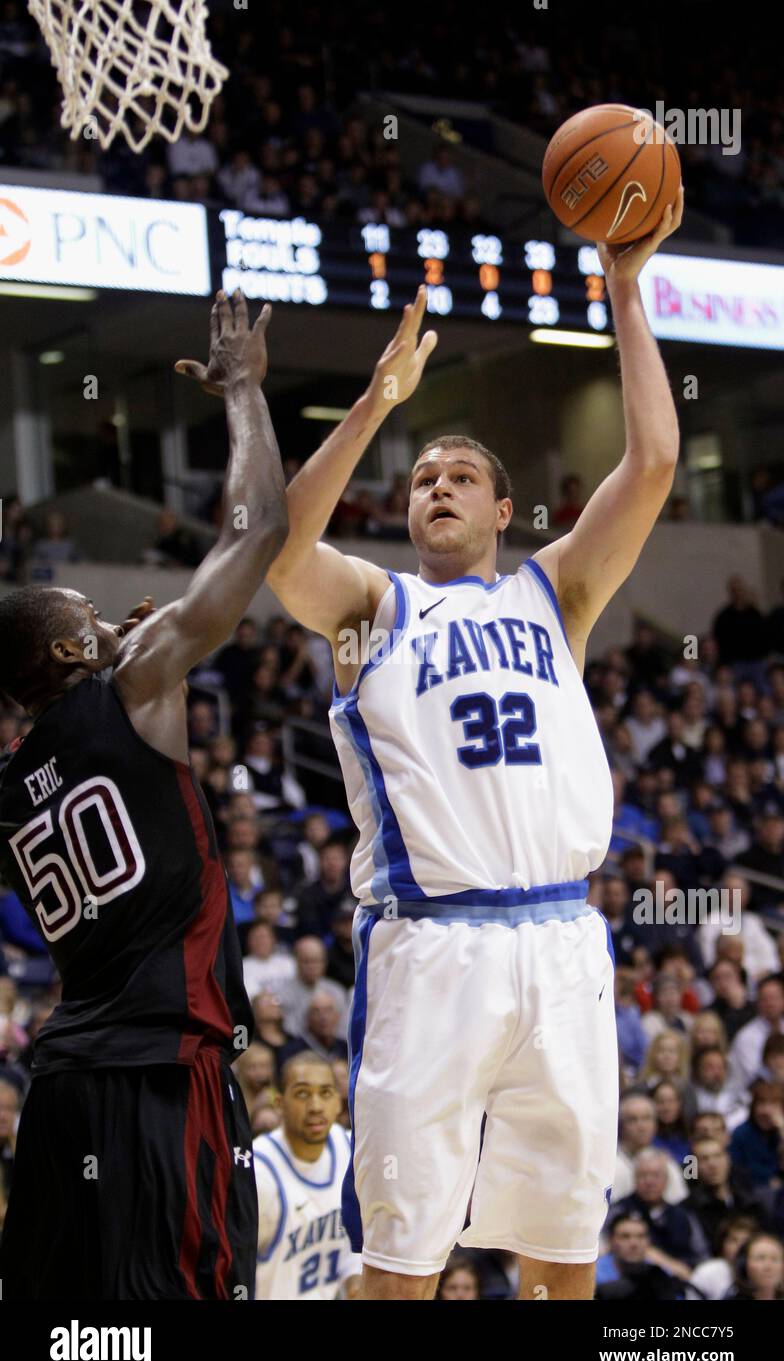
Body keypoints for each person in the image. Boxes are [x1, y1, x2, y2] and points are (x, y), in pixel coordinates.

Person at [264, 190, 685, 1301]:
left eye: (459, 476)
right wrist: (370, 406)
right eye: (420, 478)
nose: (436, 485)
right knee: (401, 1264)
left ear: (505, 510)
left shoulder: (557, 594)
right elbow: (275, 546)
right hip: (431, 950)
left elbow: (648, 465)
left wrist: (625, 290)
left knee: (559, 1260)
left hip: (559, 942)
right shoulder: (371, 604)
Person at [0, 289, 288, 1300]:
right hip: (164, 1077)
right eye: (89, 611)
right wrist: (245, 388)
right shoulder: (136, 685)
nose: (115, 614)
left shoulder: (9, 793)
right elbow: (257, 533)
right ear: (76, 648)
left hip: (62, 1091)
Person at [253, 1052, 361, 1299]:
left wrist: (355, 1283)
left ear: (338, 1102)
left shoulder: (349, 1150)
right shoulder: (258, 1172)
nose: (315, 1107)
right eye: (302, 1094)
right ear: (279, 1103)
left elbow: (355, 1248)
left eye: (325, 1093)